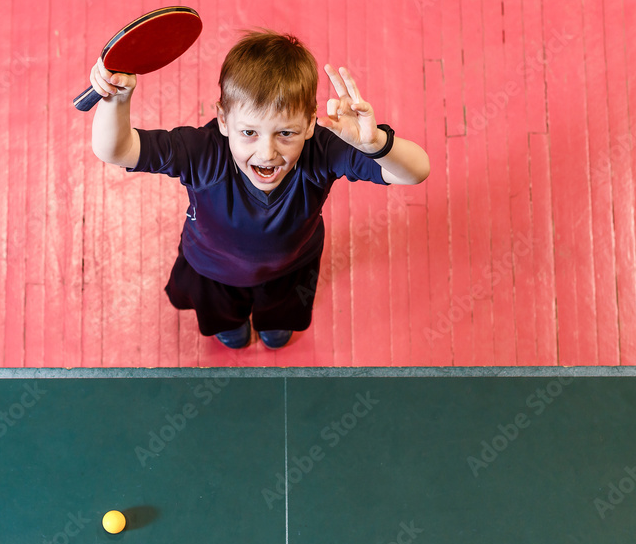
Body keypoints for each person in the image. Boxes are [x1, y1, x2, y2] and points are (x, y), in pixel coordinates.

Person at [89, 29, 429, 349]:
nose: (267, 153)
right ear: (223, 120)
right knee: (227, 325)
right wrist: (115, 100)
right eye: (249, 132)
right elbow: (116, 150)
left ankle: (271, 324)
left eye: (286, 133)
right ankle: (231, 327)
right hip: (211, 268)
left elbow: (416, 171)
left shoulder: (325, 148)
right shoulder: (202, 152)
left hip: (292, 268)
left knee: (279, 325)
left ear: (311, 122)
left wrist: (375, 144)